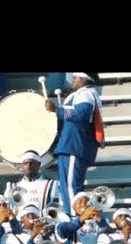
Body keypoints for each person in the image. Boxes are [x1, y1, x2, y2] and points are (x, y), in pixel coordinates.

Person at [46, 72, 104, 208]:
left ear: (83, 79)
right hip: (71, 146)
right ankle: (71, 215)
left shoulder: (85, 94)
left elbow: (81, 115)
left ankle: (74, 218)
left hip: (74, 146)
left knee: (71, 188)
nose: (72, 81)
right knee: (67, 187)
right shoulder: (83, 94)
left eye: (75, 78)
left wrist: (57, 110)